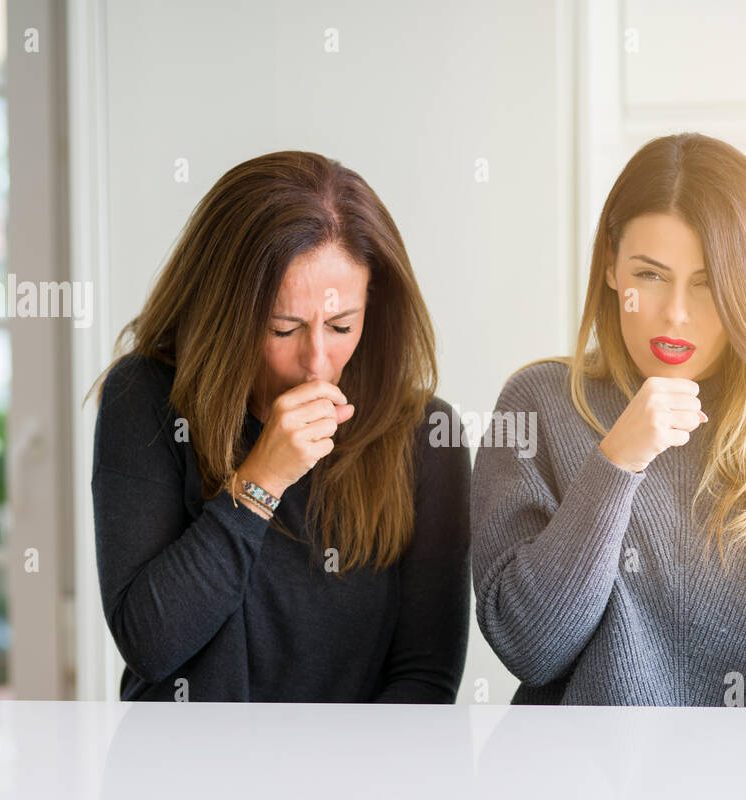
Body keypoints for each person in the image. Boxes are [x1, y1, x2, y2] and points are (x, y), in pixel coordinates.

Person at [470, 132, 746, 707]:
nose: (675, 314)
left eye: (708, 284)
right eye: (649, 275)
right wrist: (616, 463)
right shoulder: (537, 403)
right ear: (611, 267)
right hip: (570, 790)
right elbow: (529, 648)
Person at [86, 150, 470, 702]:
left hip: (356, 780)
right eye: (283, 328)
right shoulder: (146, 398)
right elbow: (151, 644)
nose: (316, 362)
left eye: (341, 325)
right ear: (226, 312)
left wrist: (352, 786)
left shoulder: (427, 435)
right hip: (185, 777)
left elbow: (425, 679)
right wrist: (260, 481)